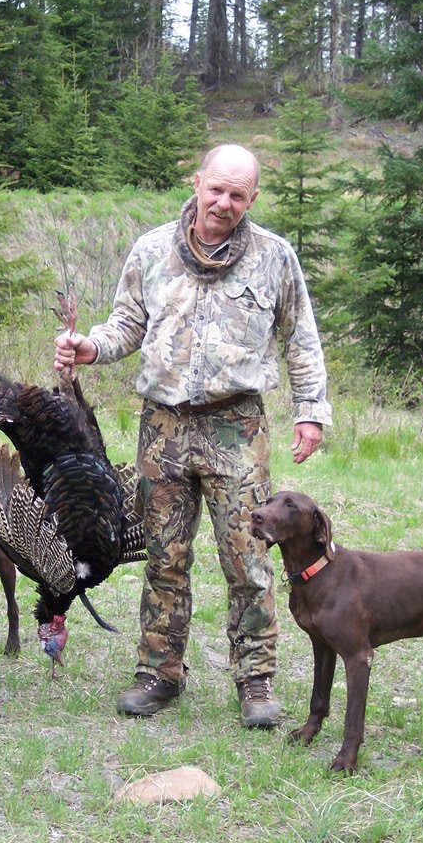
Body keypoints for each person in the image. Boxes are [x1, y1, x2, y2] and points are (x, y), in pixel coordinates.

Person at [54, 144, 332, 727]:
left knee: (250, 559)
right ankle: (159, 671)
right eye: (217, 189)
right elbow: (128, 323)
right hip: (164, 428)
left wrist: (310, 410)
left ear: (252, 198)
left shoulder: (276, 258)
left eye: (238, 195)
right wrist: (91, 347)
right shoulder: (152, 249)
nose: (224, 203)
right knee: (164, 556)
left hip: (238, 426)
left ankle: (255, 682)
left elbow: (300, 339)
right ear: (198, 182)